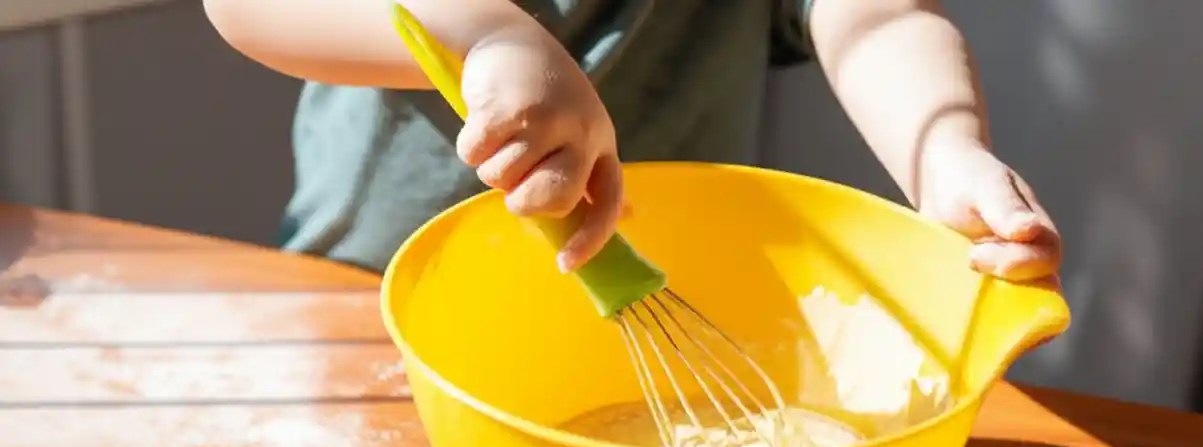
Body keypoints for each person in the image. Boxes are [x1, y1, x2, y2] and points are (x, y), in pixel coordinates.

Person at [202, 0, 1061, 281]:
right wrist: (481, 32)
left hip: (661, 310)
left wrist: (945, 151)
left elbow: (878, 18)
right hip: (375, 303)